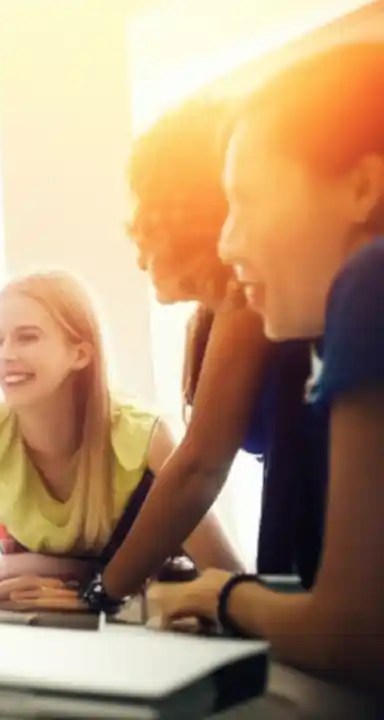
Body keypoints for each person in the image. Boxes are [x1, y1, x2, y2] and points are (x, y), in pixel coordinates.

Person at [155, 43, 384, 690]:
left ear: (362, 188)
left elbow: (353, 637)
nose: (227, 242)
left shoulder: (370, 280)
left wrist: (220, 595)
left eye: (246, 201)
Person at [90, 96, 324, 607]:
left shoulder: (256, 302)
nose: (137, 231)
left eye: (146, 205)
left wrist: (103, 595)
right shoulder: (226, 311)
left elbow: (198, 467)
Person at [0, 271, 237, 605]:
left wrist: (57, 573)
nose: (5, 355)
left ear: (80, 354)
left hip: (146, 625)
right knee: (3, 572)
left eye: (27, 337)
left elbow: (228, 574)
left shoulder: (144, 433)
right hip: (47, 631)